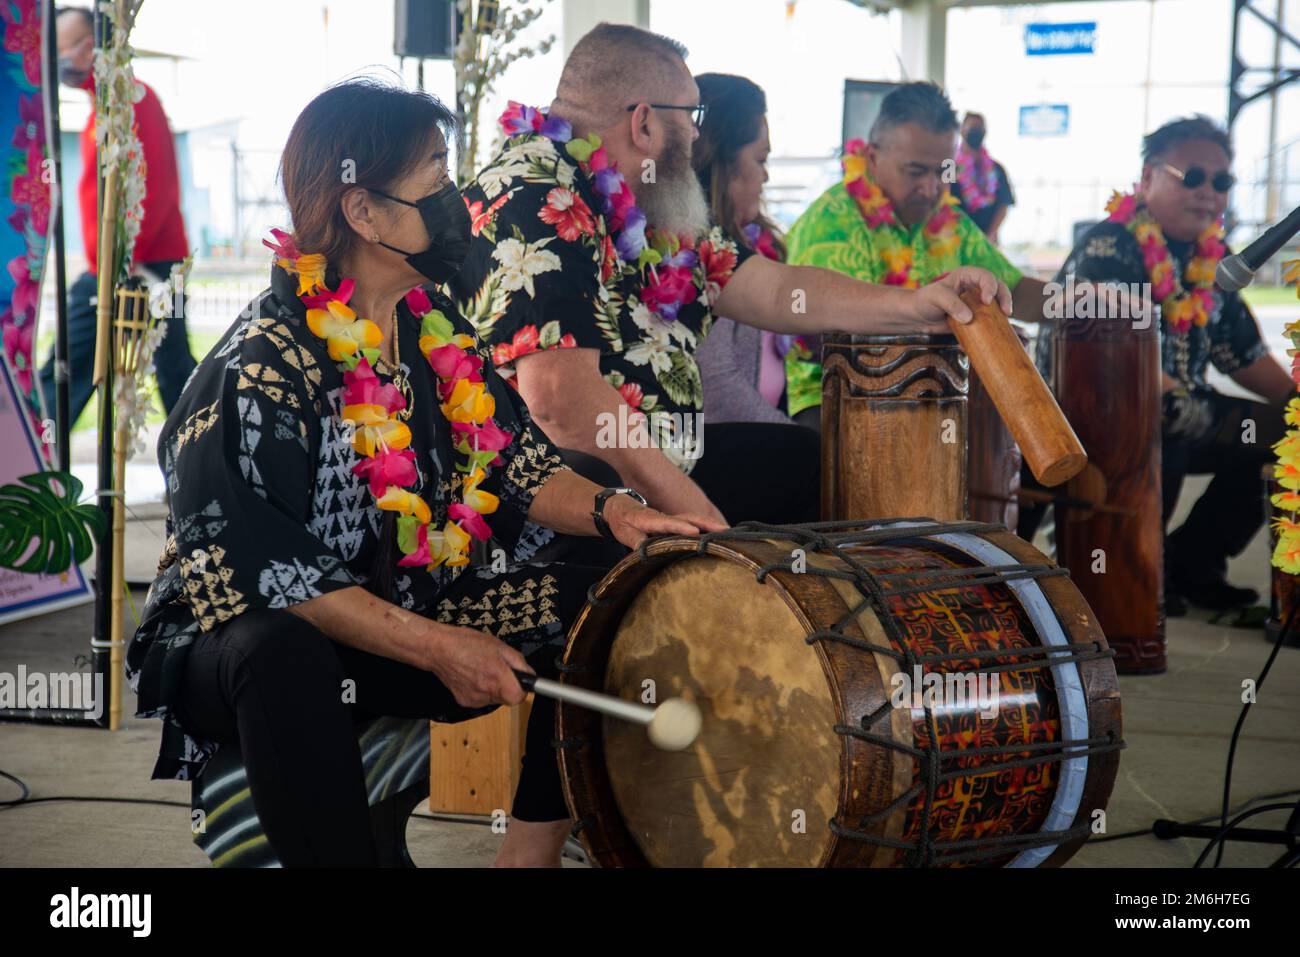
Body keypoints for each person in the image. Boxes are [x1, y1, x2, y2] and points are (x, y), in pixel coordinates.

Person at [125, 79, 720, 868]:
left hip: (400, 611)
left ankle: (531, 851)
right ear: (362, 211)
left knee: (609, 589)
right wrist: (439, 645)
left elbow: (516, 465)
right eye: (435, 184)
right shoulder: (262, 363)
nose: (457, 203)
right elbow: (269, 572)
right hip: (244, 642)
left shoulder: (433, 327)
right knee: (278, 649)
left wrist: (617, 511)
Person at [448, 24, 1012, 540]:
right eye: (690, 117)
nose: (698, 139)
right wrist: (698, 518)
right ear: (643, 122)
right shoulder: (534, 195)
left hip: (665, 459)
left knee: (805, 459)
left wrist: (918, 304)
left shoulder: (641, 202)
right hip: (573, 496)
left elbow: (773, 287)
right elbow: (560, 404)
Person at [1030, 116, 1293, 613]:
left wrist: (1295, 406)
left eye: (1222, 182)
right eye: (1192, 177)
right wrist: (1179, 402)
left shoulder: (1213, 258)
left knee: (1284, 436)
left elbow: (1245, 357)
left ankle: (1193, 565)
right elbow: (1119, 360)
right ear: (1148, 178)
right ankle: (1137, 575)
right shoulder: (1110, 247)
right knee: (1163, 423)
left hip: (1181, 411)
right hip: (1094, 419)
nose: (1208, 193)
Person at [783, 83, 1042, 421]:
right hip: (834, 399)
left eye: (942, 171)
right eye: (916, 171)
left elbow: (1015, 290)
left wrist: (1082, 303)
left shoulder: (948, 220)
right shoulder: (831, 223)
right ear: (873, 158)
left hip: (936, 395)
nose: (931, 187)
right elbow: (834, 337)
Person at [37, 5, 195, 428]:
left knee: (171, 373)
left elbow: (156, 188)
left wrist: (126, 260)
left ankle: (29, 464)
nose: (58, 62)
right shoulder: (100, 107)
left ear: (92, 47)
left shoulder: (131, 101)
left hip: (138, 263)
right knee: (75, 370)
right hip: (117, 262)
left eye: (64, 49)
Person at [691, 72, 820, 431]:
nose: (765, 178)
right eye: (761, 160)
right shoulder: (695, 253)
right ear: (722, 163)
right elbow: (717, 389)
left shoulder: (750, 242)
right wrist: (804, 449)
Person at [951, 112, 1015, 243]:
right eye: (972, 127)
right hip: (956, 238)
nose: (976, 131)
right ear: (961, 130)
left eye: (979, 128)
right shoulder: (949, 167)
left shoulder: (996, 169)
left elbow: (1004, 203)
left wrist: (991, 234)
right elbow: (942, 199)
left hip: (987, 241)